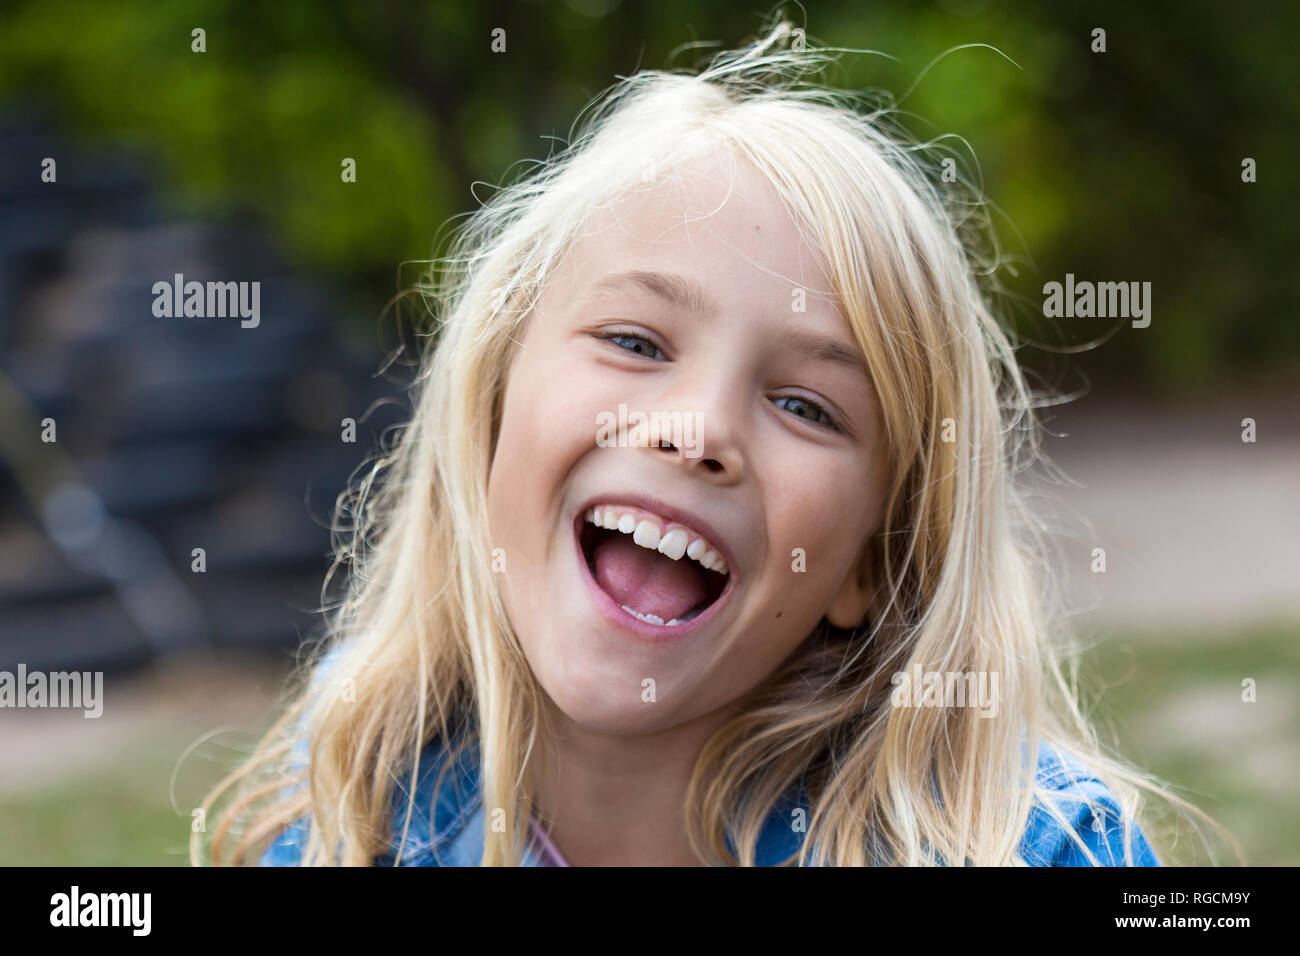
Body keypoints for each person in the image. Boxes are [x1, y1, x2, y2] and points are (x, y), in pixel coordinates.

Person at [198, 19, 1192, 867]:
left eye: (806, 405)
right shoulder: (356, 785)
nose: (699, 429)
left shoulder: (1026, 844)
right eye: (634, 342)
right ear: (491, 407)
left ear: (868, 563)